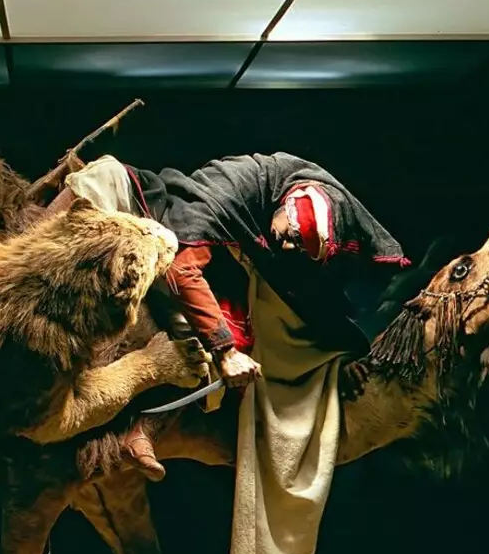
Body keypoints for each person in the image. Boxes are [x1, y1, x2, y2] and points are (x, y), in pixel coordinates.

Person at [51, 152, 410, 481]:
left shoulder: (291, 239)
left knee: (218, 341)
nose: (286, 247)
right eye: (292, 238)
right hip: (153, 224)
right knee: (102, 178)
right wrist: (225, 351)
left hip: (206, 265)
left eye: (300, 248)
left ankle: (143, 432)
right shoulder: (238, 184)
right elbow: (182, 268)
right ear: (291, 205)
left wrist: (349, 354)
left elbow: (315, 305)